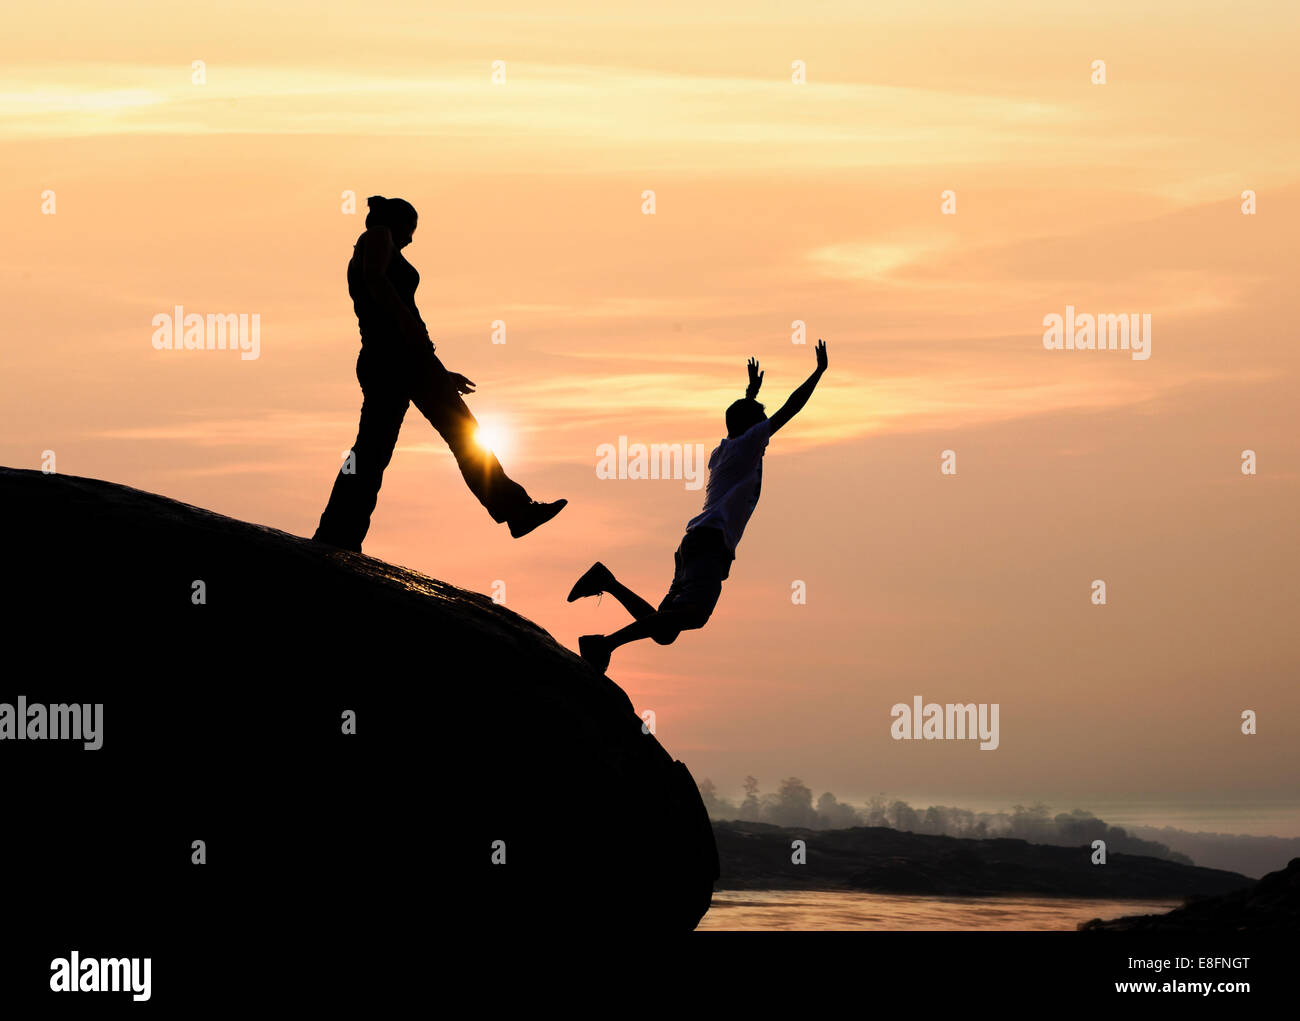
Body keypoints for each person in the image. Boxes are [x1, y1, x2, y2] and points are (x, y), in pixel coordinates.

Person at [312, 195, 565, 552]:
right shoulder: (377, 236)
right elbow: (377, 282)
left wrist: (440, 372)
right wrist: (409, 329)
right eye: (411, 229)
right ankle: (516, 511)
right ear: (396, 222)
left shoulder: (374, 245)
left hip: (394, 360)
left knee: (371, 452)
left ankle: (338, 534)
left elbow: (390, 301)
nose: (412, 239)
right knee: (460, 434)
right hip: (399, 358)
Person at [569, 340, 829, 672]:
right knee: (693, 616)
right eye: (761, 420)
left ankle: (606, 583)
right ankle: (603, 645)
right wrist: (817, 372)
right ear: (752, 428)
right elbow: (789, 409)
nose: (766, 426)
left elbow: (741, 421)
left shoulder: (724, 450)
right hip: (708, 544)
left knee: (665, 630)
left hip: (694, 543)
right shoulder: (748, 445)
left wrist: (750, 395)